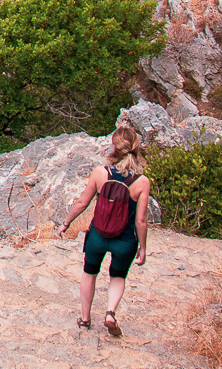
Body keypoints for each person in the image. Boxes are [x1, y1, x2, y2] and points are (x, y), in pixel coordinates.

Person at [54, 125, 151, 337]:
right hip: (124, 240)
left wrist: (66, 223)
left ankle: (85, 319)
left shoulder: (101, 173)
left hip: (98, 235)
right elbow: (141, 220)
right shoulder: (141, 182)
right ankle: (109, 313)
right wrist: (142, 248)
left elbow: (82, 203)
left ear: (113, 148)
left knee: (90, 272)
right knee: (117, 276)